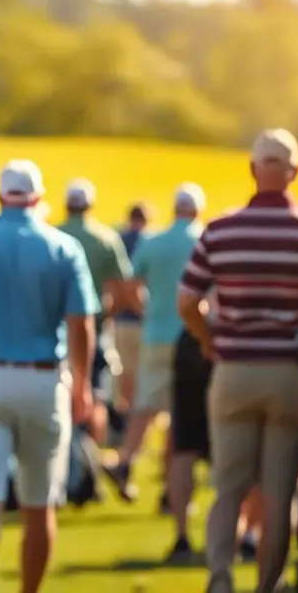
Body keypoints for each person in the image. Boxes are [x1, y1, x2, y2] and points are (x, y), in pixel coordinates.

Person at [178, 129, 298, 593]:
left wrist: (210, 338)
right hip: (289, 371)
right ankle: (268, 583)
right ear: (294, 173)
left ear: (252, 170)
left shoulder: (220, 230)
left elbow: (187, 300)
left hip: (234, 369)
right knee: (280, 491)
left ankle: (220, 579)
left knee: (227, 487)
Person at [0, 160, 98, 593]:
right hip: (42, 381)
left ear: (0, 196)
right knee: (39, 502)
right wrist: (85, 384)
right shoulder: (63, 247)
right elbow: (81, 324)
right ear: (37, 198)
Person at [110, 185, 206, 554]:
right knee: (182, 415)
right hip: (194, 336)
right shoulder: (204, 240)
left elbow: (131, 287)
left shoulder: (153, 243)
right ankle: (169, 485)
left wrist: (148, 310)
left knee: (148, 404)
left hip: (157, 332)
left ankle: (128, 459)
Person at [58, 179, 132, 447]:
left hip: (58, 330)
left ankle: (71, 464)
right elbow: (124, 290)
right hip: (96, 329)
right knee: (97, 397)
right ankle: (91, 466)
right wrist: (107, 314)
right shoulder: (107, 239)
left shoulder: (54, 235)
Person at [116, 203, 150, 423]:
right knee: (141, 375)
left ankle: (124, 419)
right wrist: (144, 310)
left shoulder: (118, 238)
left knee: (125, 373)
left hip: (122, 319)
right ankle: (134, 420)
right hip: (143, 320)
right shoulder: (149, 240)